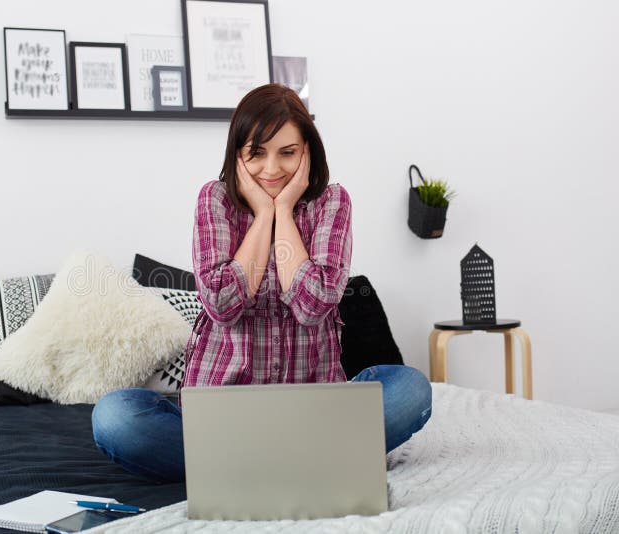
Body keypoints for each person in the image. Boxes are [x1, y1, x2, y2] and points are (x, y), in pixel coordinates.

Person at [92, 83, 431, 483]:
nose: (272, 170)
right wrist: (262, 216)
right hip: (221, 421)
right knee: (116, 418)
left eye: (287, 153)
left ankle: (247, 470)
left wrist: (284, 211)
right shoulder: (214, 200)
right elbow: (222, 304)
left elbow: (312, 305)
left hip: (313, 413)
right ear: (238, 154)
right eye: (257, 154)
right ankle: (303, 465)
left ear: (308, 151)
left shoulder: (332, 202)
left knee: (410, 389)